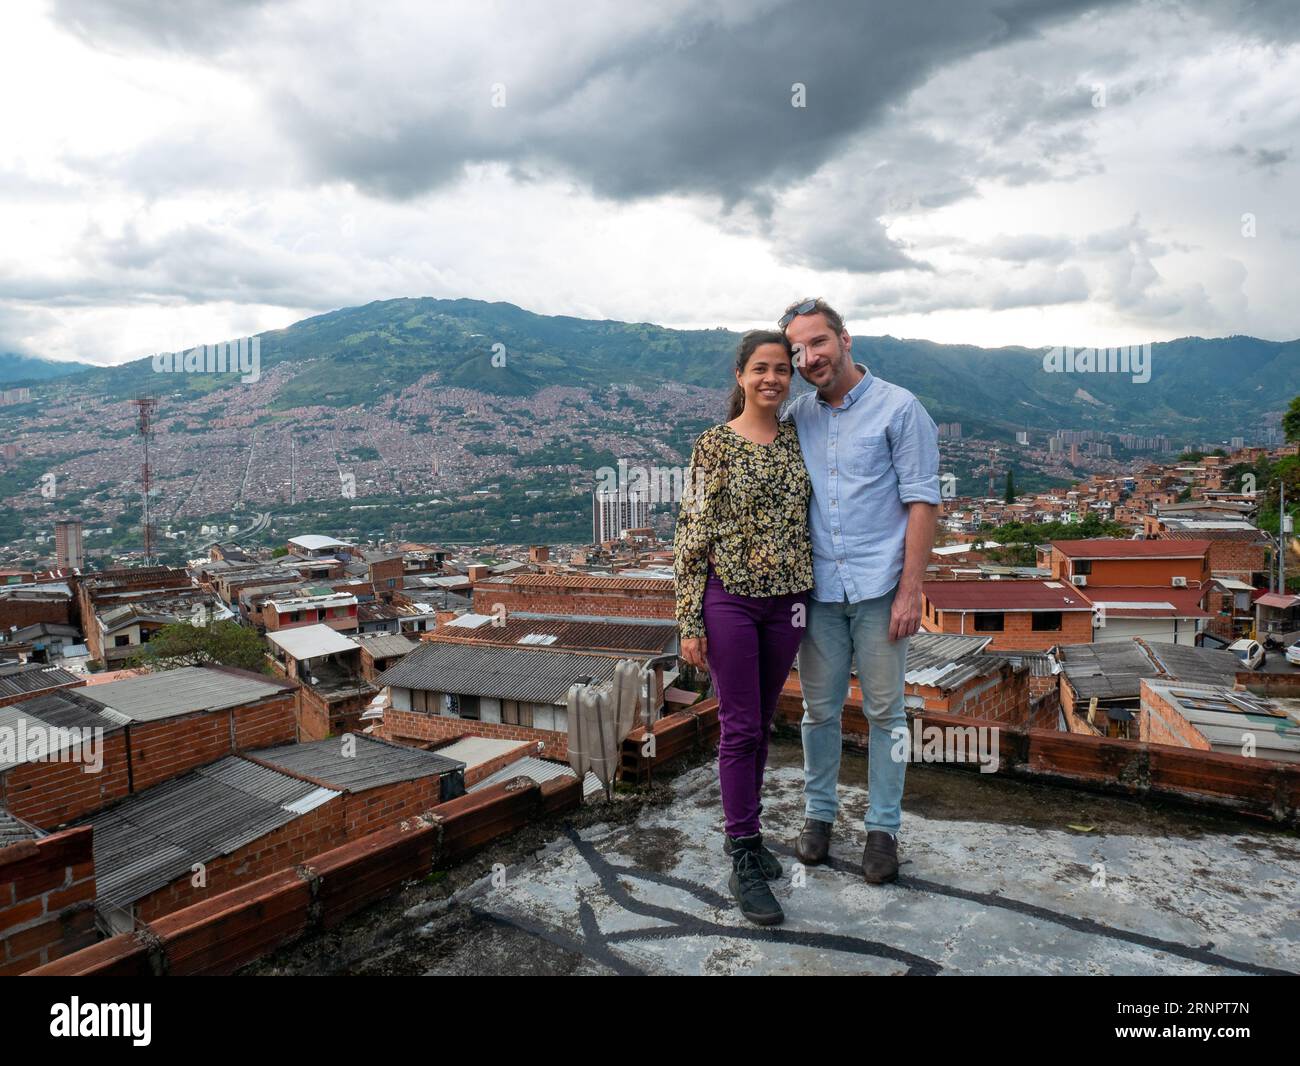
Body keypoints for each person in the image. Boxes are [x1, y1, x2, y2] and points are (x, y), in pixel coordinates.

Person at [779, 297, 940, 884]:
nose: (808, 357)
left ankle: (882, 829)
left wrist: (909, 590)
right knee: (818, 712)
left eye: (817, 342)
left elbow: (921, 501)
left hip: (878, 589)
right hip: (819, 590)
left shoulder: (901, 408)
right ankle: (819, 816)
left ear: (845, 339)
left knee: (885, 714)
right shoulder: (799, 416)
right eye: (797, 349)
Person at [673, 329, 813, 926]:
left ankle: (749, 833)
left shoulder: (797, 440)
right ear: (740, 375)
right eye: (761, 368)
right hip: (729, 600)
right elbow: (691, 532)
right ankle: (743, 850)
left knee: (762, 722)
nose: (772, 378)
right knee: (739, 724)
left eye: (782, 369)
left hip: (788, 604)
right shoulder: (714, 446)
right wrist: (689, 618)